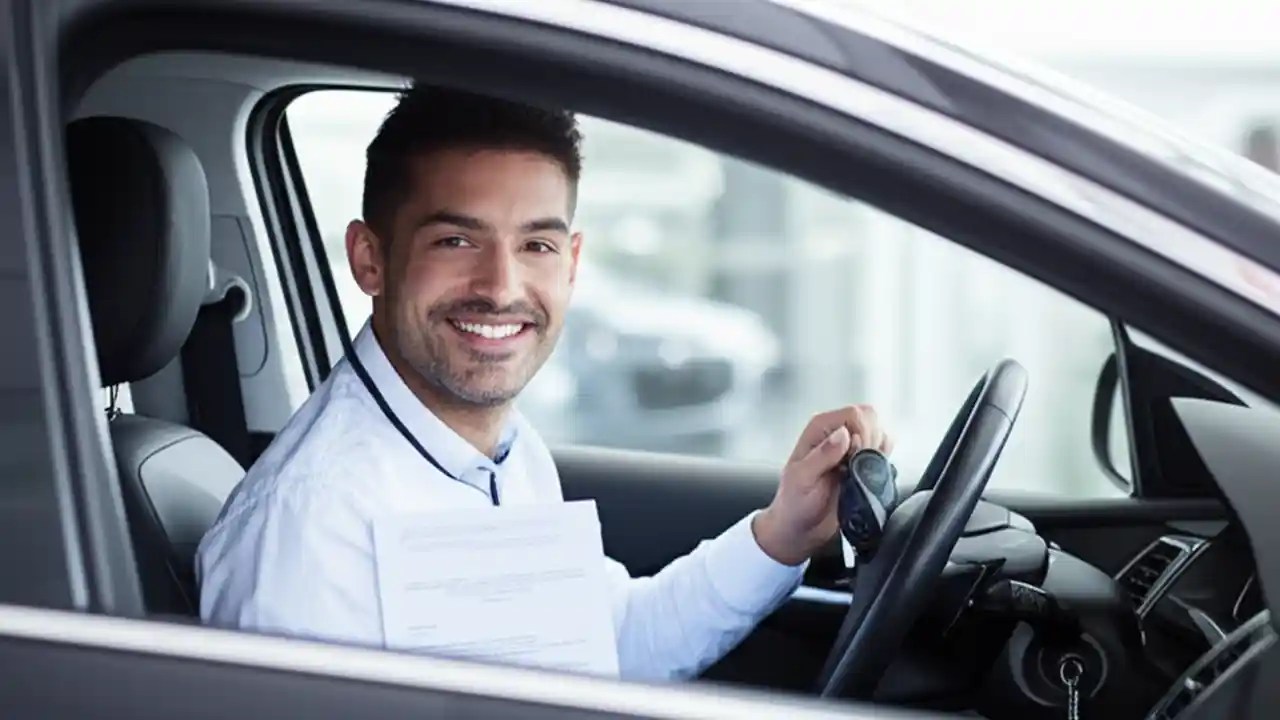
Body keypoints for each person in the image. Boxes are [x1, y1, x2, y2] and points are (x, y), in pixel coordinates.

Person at [196, 83, 893, 682]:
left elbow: (609, 643)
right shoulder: (310, 531)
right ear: (369, 259)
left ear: (572, 262)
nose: (501, 287)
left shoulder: (501, 448)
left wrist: (782, 533)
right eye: (456, 241)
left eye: (536, 245)